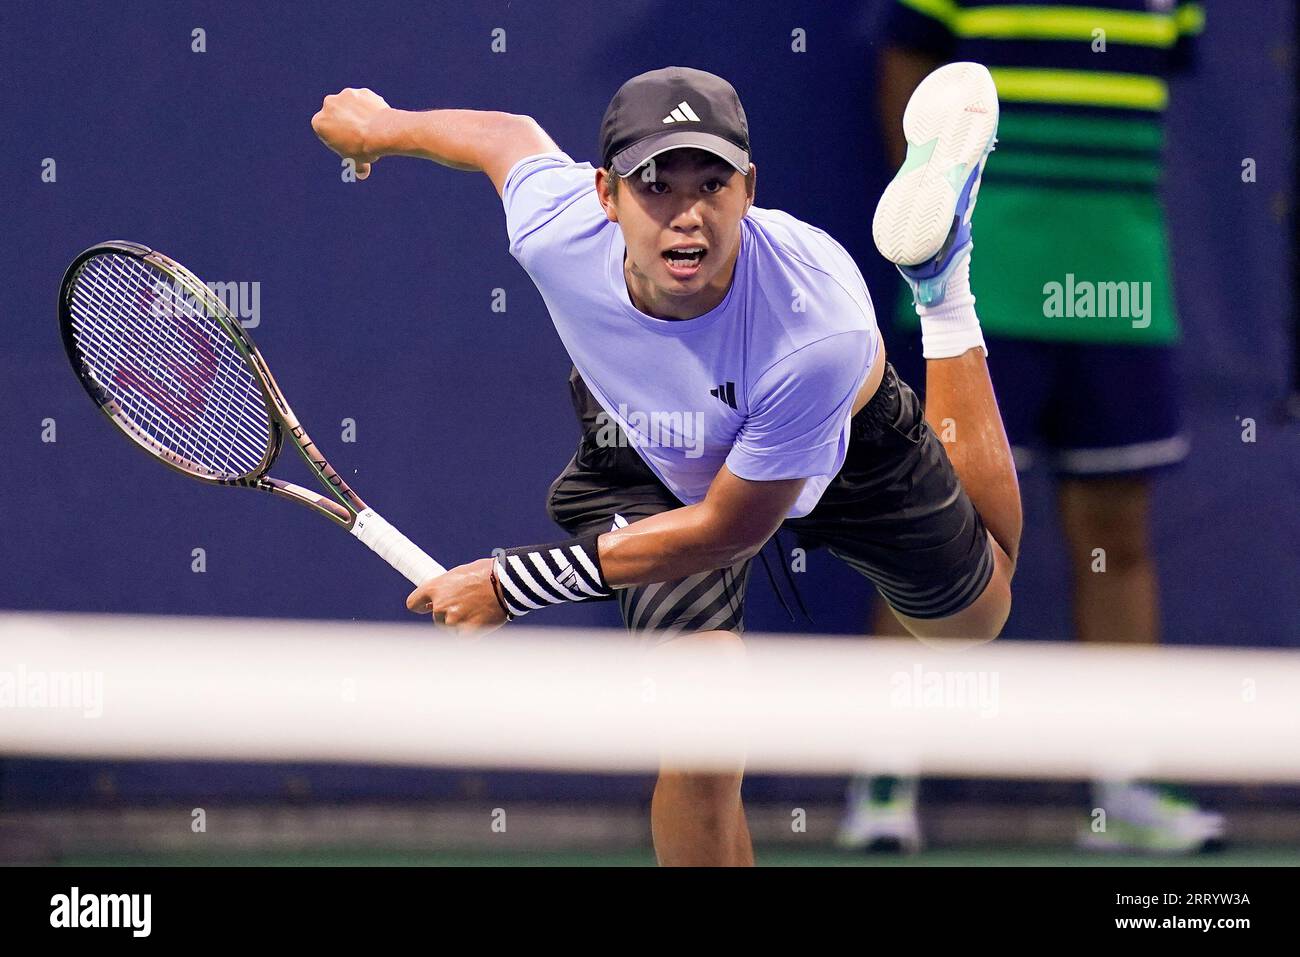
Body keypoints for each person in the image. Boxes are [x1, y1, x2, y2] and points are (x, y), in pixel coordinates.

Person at [311, 64, 1020, 866]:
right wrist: (382, 125)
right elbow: (502, 136)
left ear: (748, 190)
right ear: (605, 195)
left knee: (973, 621)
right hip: (648, 448)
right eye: (655, 185)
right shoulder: (558, 227)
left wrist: (509, 584)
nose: (687, 217)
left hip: (840, 437)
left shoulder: (816, 331)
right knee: (703, 721)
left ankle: (941, 284)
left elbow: (724, 528)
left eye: (711, 184)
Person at [839, 0, 1219, 855]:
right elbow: (907, 87)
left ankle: (1125, 782)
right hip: (981, 289)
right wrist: (938, 250)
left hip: (1121, 284)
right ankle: (885, 778)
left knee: (1116, 533)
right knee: (927, 533)